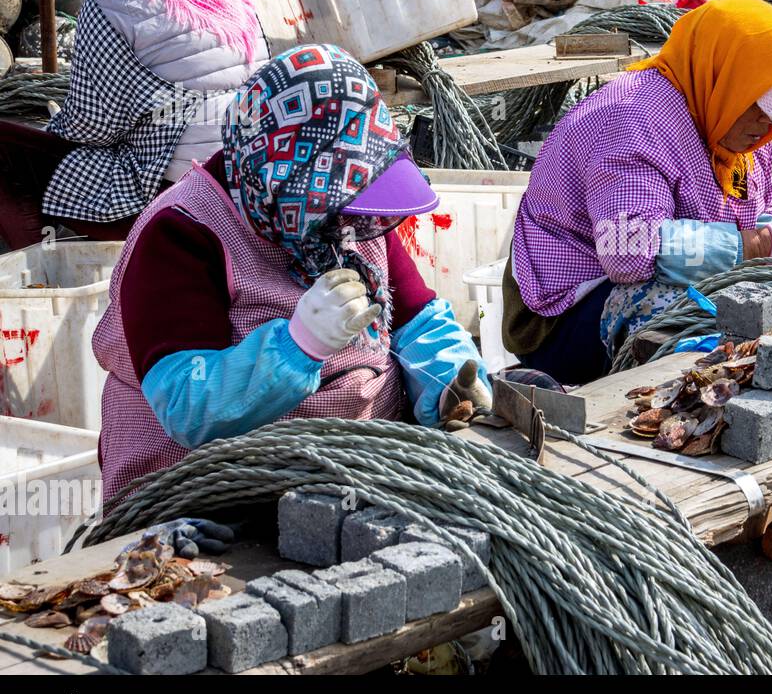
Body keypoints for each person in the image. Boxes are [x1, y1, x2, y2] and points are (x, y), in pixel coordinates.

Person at [91, 45, 489, 504]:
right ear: (287, 184)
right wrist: (297, 347)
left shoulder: (355, 208)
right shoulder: (182, 232)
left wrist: (449, 381)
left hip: (354, 466)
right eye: (339, 208)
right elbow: (186, 406)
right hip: (215, 492)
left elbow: (417, 319)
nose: (355, 229)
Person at [503, 0, 772, 385]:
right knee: (699, 317)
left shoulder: (739, 126)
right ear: (725, 79)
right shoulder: (634, 120)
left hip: (684, 274)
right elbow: (628, 253)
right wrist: (761, 245)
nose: (766, 124)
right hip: (569, 314)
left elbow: (753, 211)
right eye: (759, 105)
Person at [0, 0, 269, 249]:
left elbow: (91, 127)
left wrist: (50, 128)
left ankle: (42, 269)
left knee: (11, 156)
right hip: (255, 176)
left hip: (175, 194)